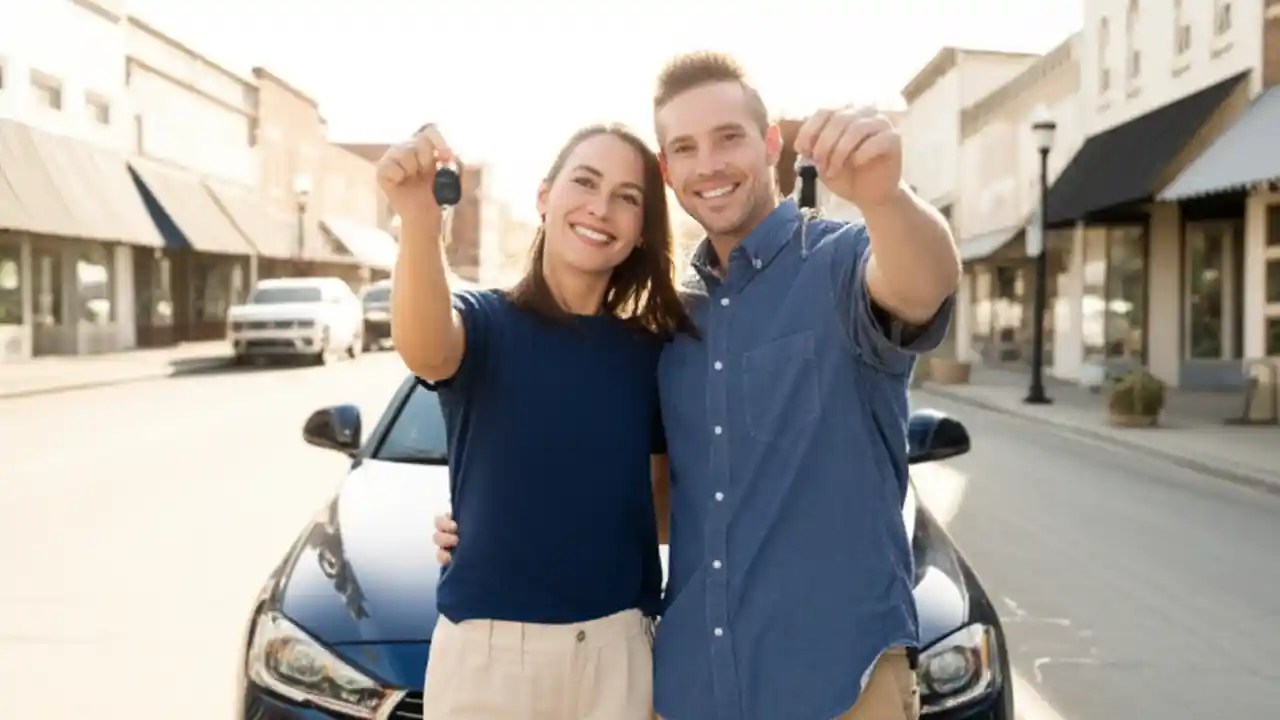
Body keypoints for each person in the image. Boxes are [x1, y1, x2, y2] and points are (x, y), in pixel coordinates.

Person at [436, 52, 961, 720]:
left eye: (729, 138)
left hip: (840, 687)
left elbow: (924, 284)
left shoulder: (839, 263)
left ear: (771, 145)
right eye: (684, 147)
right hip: (691, 690)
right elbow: (662, 497)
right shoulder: (672, 326)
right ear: (667, 172)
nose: (708, 164)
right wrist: (497, 523)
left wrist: (885, 198)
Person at [381, 121, 695, 719]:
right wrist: (419, 222)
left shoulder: (652, 352)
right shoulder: (484, 322)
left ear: (640, 232)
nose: (601, 208)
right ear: (545, 197)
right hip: (489, 660)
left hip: (620, 656)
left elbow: (659, 510)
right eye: (585, 181)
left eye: (628, 198)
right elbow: (424, 347)